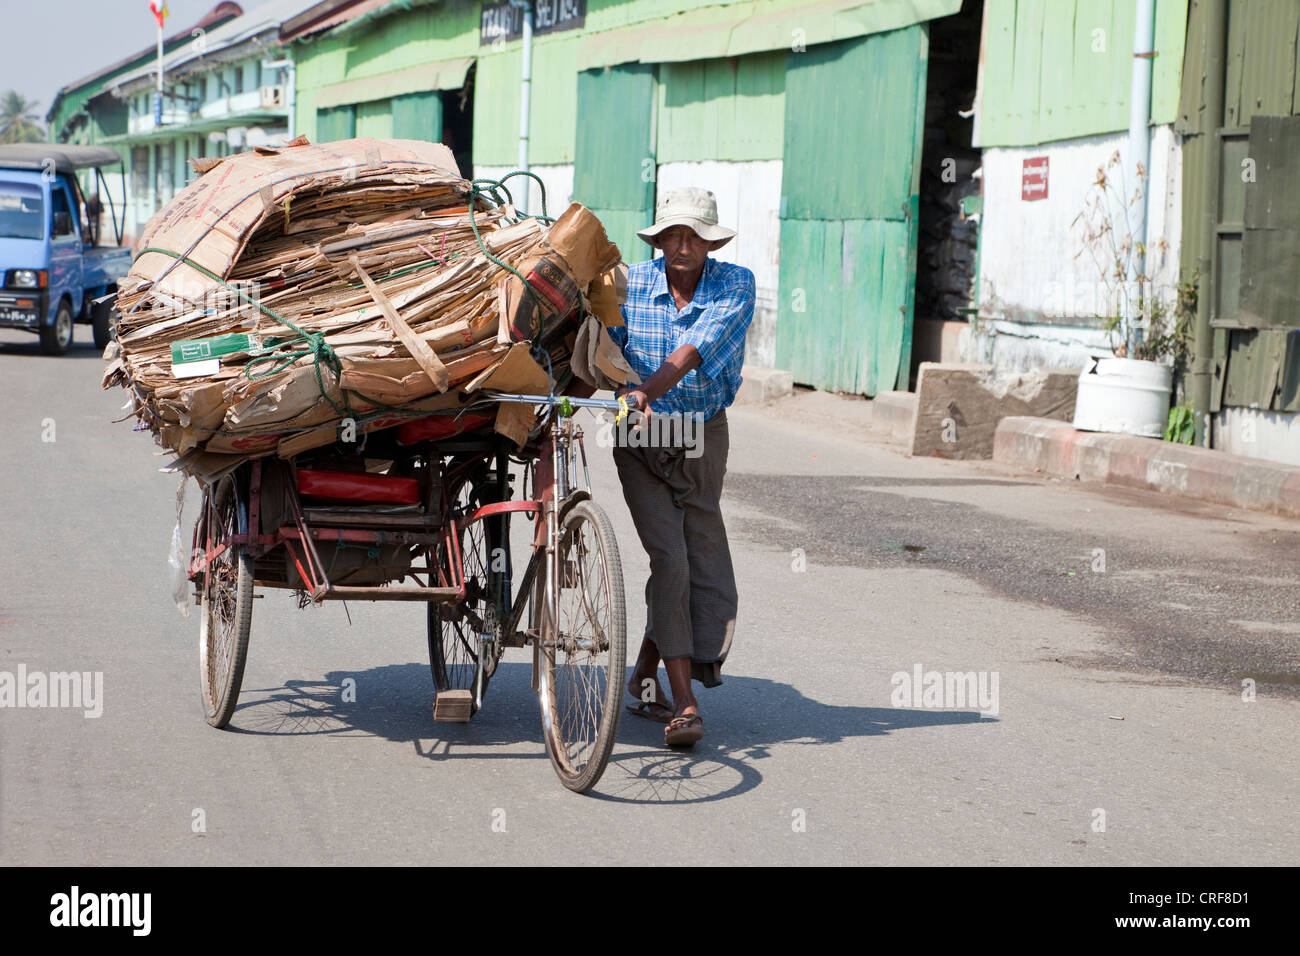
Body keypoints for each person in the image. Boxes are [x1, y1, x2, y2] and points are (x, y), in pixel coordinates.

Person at [608, 187, 755, 747]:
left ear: (710, 242)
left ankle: (646, 673)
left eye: (692, 235)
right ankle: (685, 704)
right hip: (639, 438)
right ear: (660, 239)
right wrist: (625, 389)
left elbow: (694, 349)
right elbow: (609, 348)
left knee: (699, 560)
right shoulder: (631, 282)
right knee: (670, 558)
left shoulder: (734, 284)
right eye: (671, 235)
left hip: (699, 435)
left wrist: (647, 390)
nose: (681, 245)